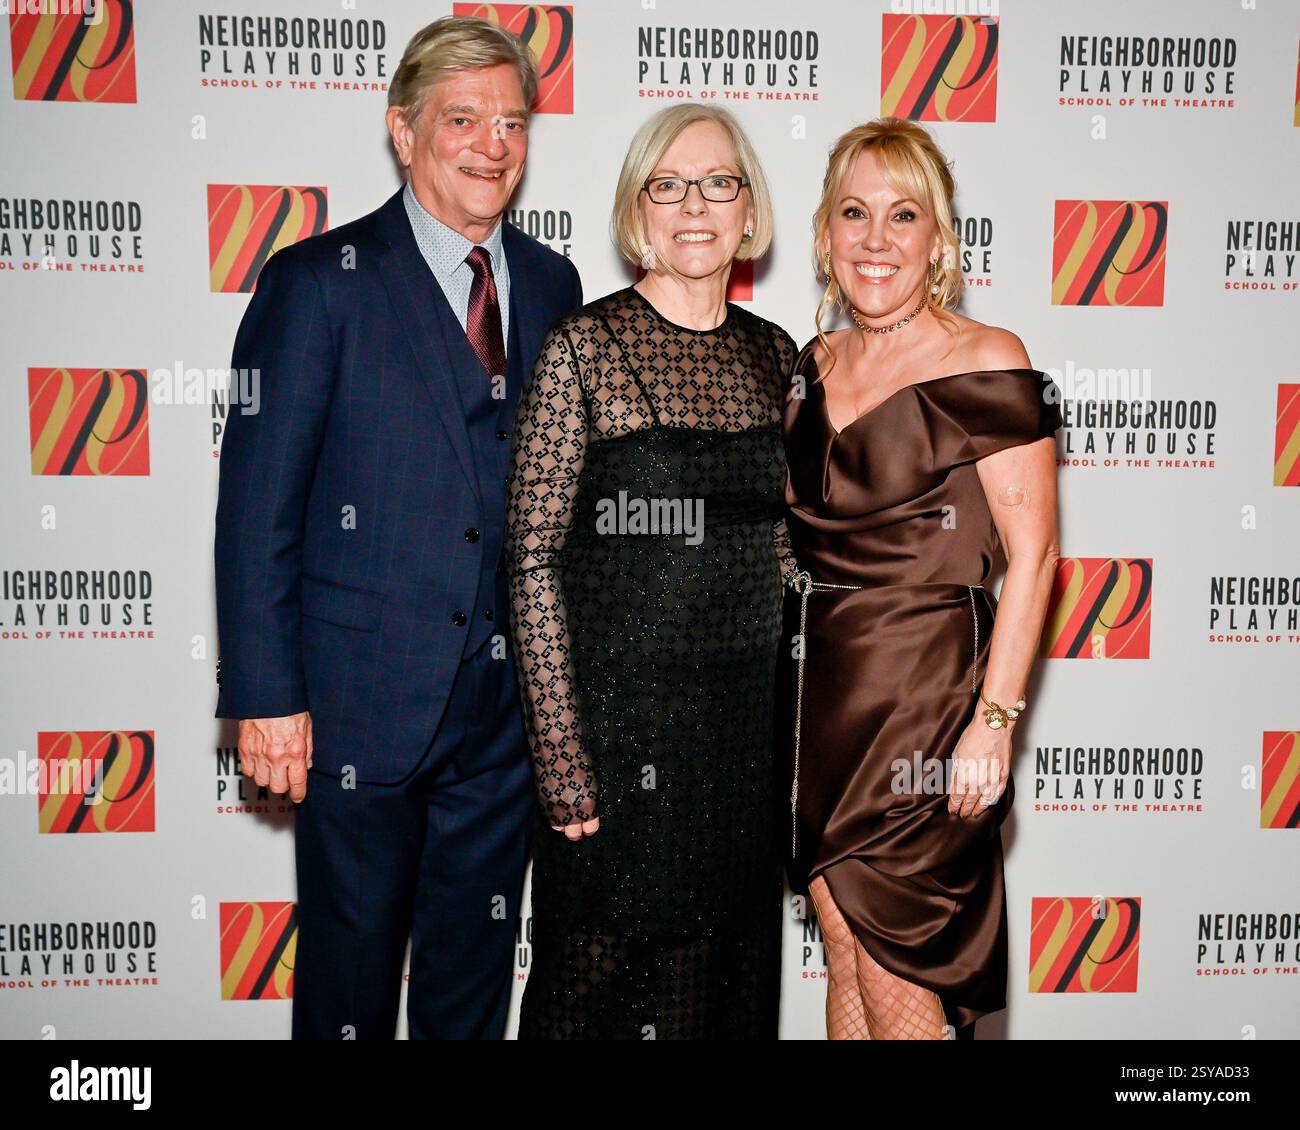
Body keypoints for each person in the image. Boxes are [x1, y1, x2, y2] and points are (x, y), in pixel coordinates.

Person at [212, 16, 583, 1039]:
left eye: (510, 122)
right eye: (461, 118)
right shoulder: (314, 281)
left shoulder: (552, 284)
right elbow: (257, 504)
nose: (490, 144)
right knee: (350, 990)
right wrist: (266, 693)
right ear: (401, 128)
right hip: (355, 710)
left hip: (501, 721)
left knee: (470, 988)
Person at [505, 103, 795, 1039]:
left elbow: (785, 546)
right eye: (668, 185)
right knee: (588, 985)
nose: (695, 206)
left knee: (721, 984)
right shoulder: (583, 350)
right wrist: (561, 757)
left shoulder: (775, 355)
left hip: (742, 738)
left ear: (748, 209)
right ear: (639, 209)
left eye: (718, 183)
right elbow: (534, 558)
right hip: (619, 733)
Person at [778, 117, 1062, 1040]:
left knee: (905, 977)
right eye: (854, 213)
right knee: (848, 963)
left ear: (938, 239)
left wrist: (994, 726)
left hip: (930, 710)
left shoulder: (987, 358)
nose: (875, 239)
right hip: (821, 710)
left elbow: (1037, 560)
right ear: (824, 232)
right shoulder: (810, 367)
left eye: (903, 216)